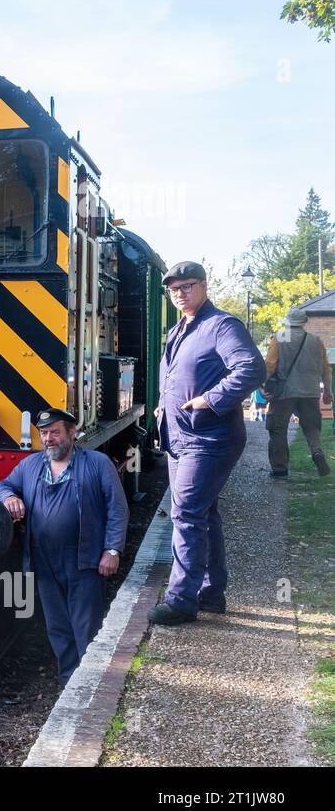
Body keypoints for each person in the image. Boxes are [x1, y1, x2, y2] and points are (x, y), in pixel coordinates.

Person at [151, 261, 266, 625]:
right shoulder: (178, 330)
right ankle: (212, 593)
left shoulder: (222, 325)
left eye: (187, 286)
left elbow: (251, 368)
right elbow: (173, 375)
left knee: (185, 512)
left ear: (203, 286)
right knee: (203, 512)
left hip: (209, 438)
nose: (180, 294)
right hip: (179, 437)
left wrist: (209, 399)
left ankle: (181, 601)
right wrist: (162, 403)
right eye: (174, 289)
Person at [0, 408, 128, 685]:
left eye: (55, 432)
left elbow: (117, 508)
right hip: (43, 559)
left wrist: (112, 549)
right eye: (44, 433)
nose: (49, 439)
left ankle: (91, 682)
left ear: (71, 433)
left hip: (84, 557)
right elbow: (2, 485)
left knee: (85, 624)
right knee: (57, 625)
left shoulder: (98, 463)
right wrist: (8, 497)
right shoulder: (31, 466)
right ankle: (69, 679)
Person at [262, 308, 332, 478]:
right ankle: (316, 451)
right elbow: (326, 368)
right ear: (304, 322)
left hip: (284, 393)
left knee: (278, 429)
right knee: (312, 426)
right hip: (310, 391)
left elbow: (270, 365)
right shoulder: (316, 340)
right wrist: (328, 391)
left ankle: (280, 469)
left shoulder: (279, 338)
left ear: (287, 321)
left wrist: (262, 386)